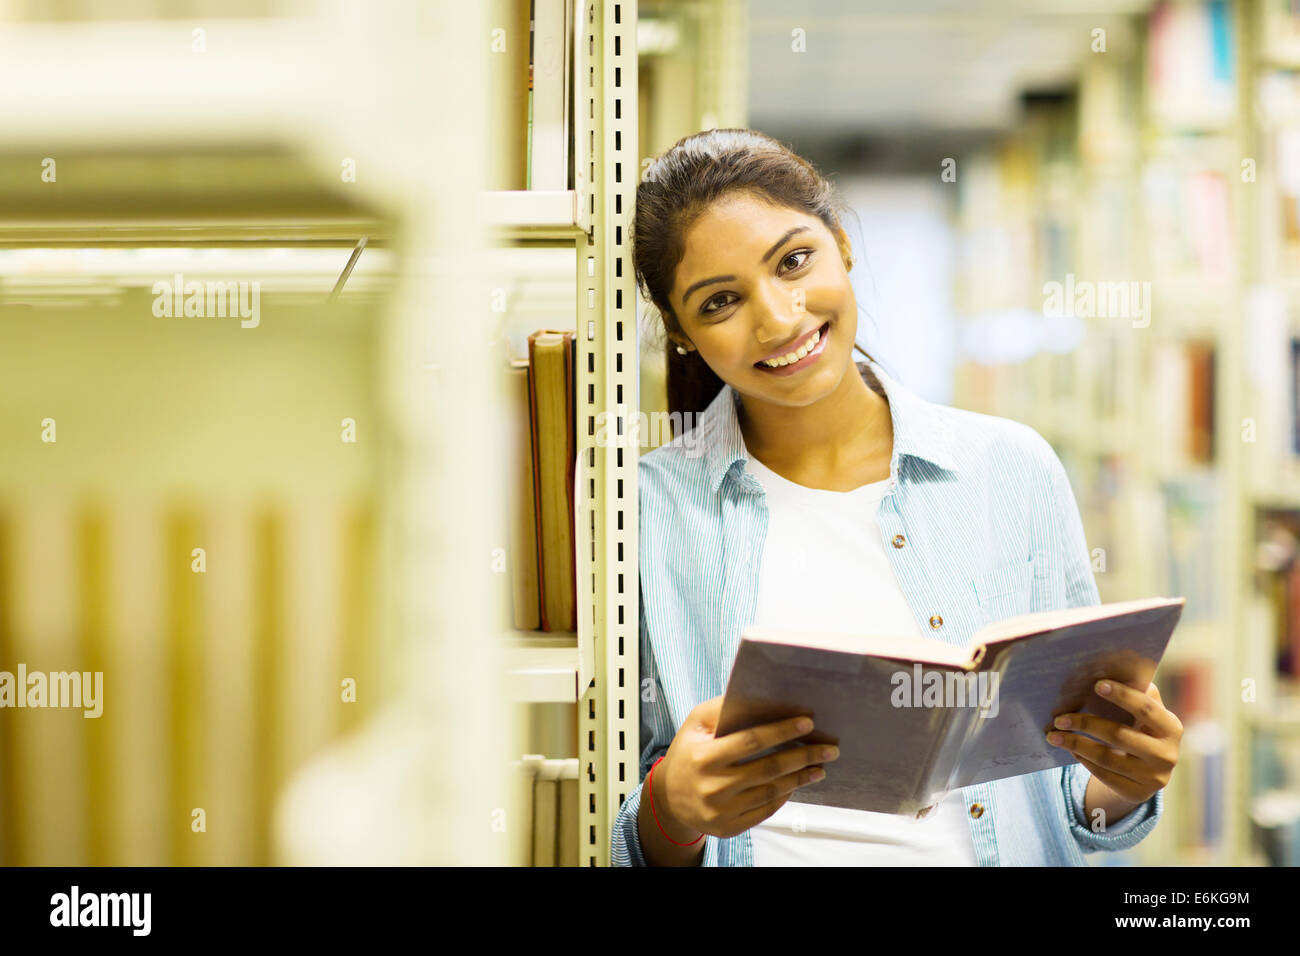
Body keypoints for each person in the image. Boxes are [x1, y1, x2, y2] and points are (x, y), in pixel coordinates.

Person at [612, 128, 1183, 867]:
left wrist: (1124, 782)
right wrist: (671, 809)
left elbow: (1076, 800)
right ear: (681, 334)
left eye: (794, 261)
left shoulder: (1011, 469)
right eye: (720, 302)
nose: (780, 318)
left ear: (842, 245)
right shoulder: (645, 511)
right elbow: (633, 828)